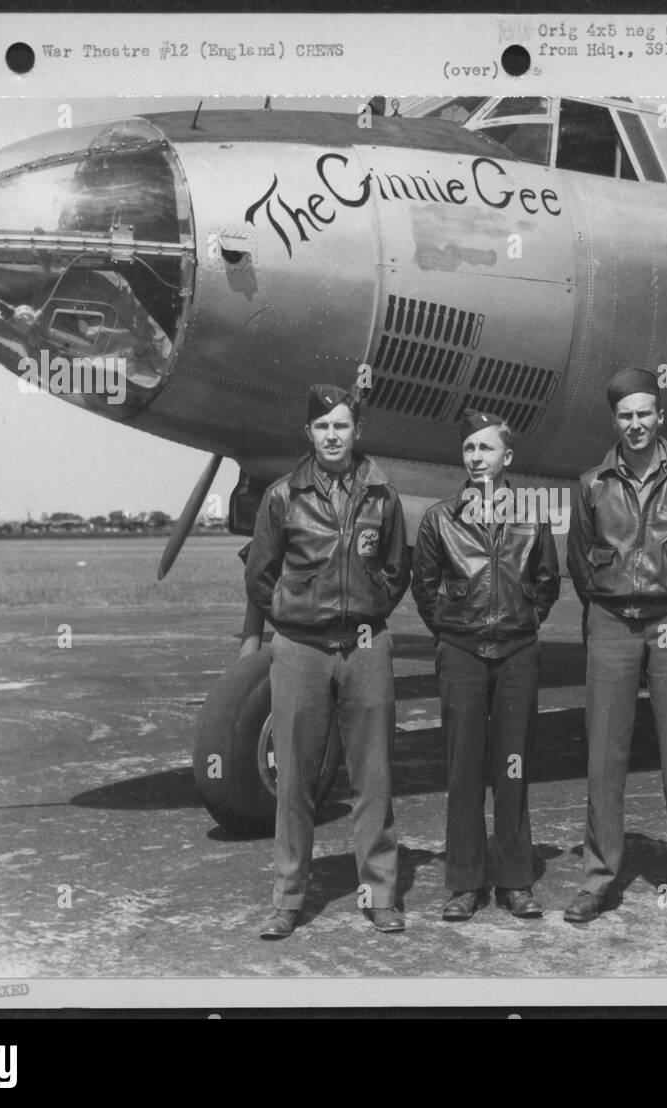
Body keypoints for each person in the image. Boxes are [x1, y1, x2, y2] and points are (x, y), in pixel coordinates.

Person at [244, 383, 411, 938]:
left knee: (374, 775)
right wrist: (295, 618)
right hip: (299, 650)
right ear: (308, 433)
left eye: (341, 426)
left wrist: (367, 608)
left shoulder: (383, 495)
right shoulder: (280, 497)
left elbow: (395, 569)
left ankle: (381, 894)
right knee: (294, 779)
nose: (333, 436)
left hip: (366, 645)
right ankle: (288, 899)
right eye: (322, 427)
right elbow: (260, 576)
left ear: (356, 430)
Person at [563, 368, 667, 929]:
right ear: (615, 421)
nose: (635, 424)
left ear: (661, 417)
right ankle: (597, 880)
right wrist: (613, 605)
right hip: (610, 621)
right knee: (604, 756)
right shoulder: (591, 485)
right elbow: (580, 564)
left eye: (644, 414)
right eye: (625, 416)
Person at [411, 410, 560, 921]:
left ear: (507, 457)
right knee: (464, 769)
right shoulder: (439, 519)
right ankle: (465, 883)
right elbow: (424, 590)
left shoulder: (532, 515)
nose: (477, 458)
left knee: (513, 767)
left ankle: (516, 880)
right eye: (470, 448)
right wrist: (455, 629)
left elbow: (547, 583)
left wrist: (522, 619)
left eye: (486, 449)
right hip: (462, 654)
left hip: (517, 653)